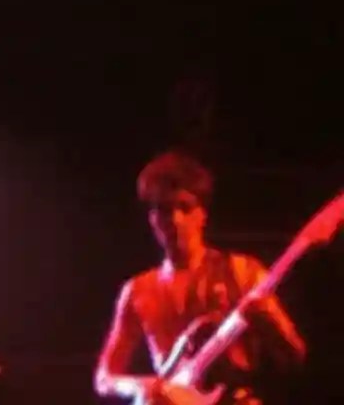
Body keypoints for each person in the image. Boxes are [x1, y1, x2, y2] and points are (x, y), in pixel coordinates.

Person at [94, 150, 307, 404]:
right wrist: (138, 386)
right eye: (164, 210)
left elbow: (295, 355)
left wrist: (269, 323)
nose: (175, 220)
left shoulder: (243, 272)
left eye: (185, 207)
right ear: (152, 219)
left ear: (202, 214)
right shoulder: (138, 290)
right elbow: (104, 377)